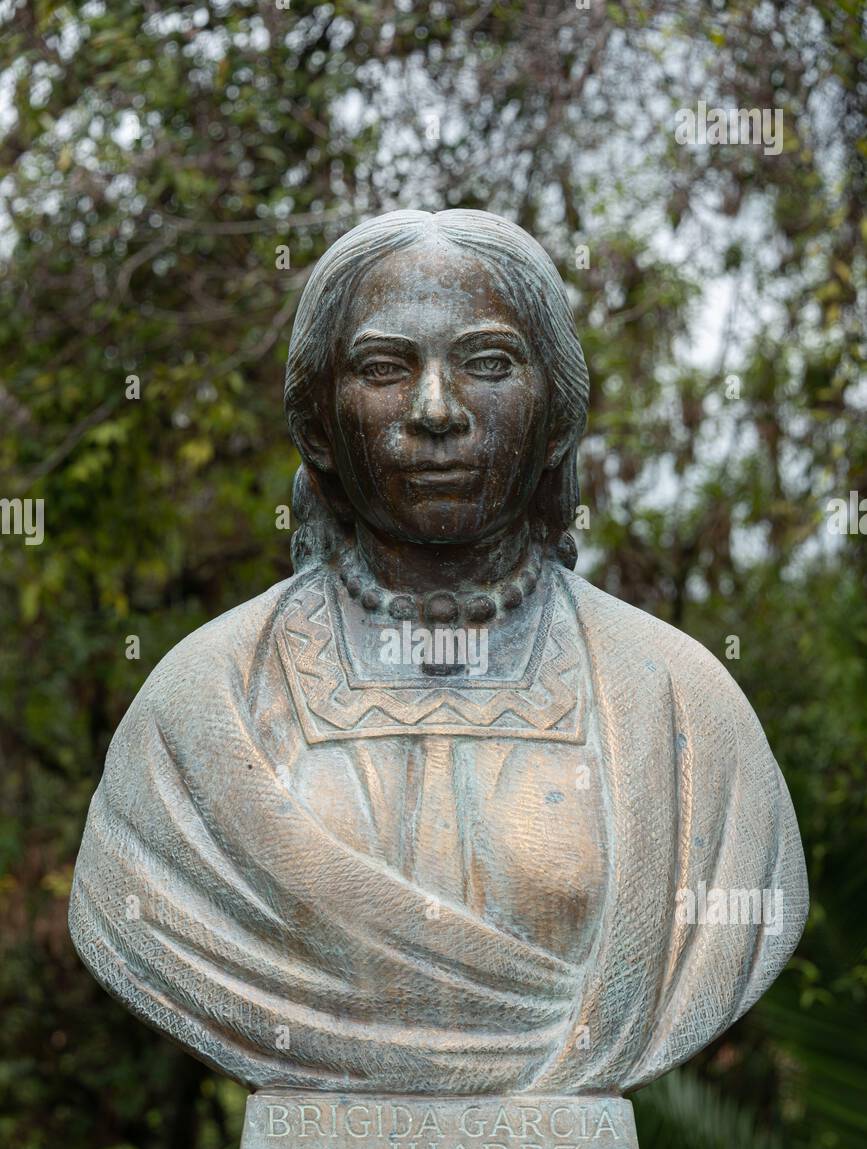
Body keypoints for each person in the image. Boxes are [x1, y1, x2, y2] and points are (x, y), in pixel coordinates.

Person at [69, 209, 807, 1095]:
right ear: (315, 424)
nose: (436, 411)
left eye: (487, 364)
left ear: (557, 416)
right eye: (384, 369)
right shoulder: (204, 705)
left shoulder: (681, 708)